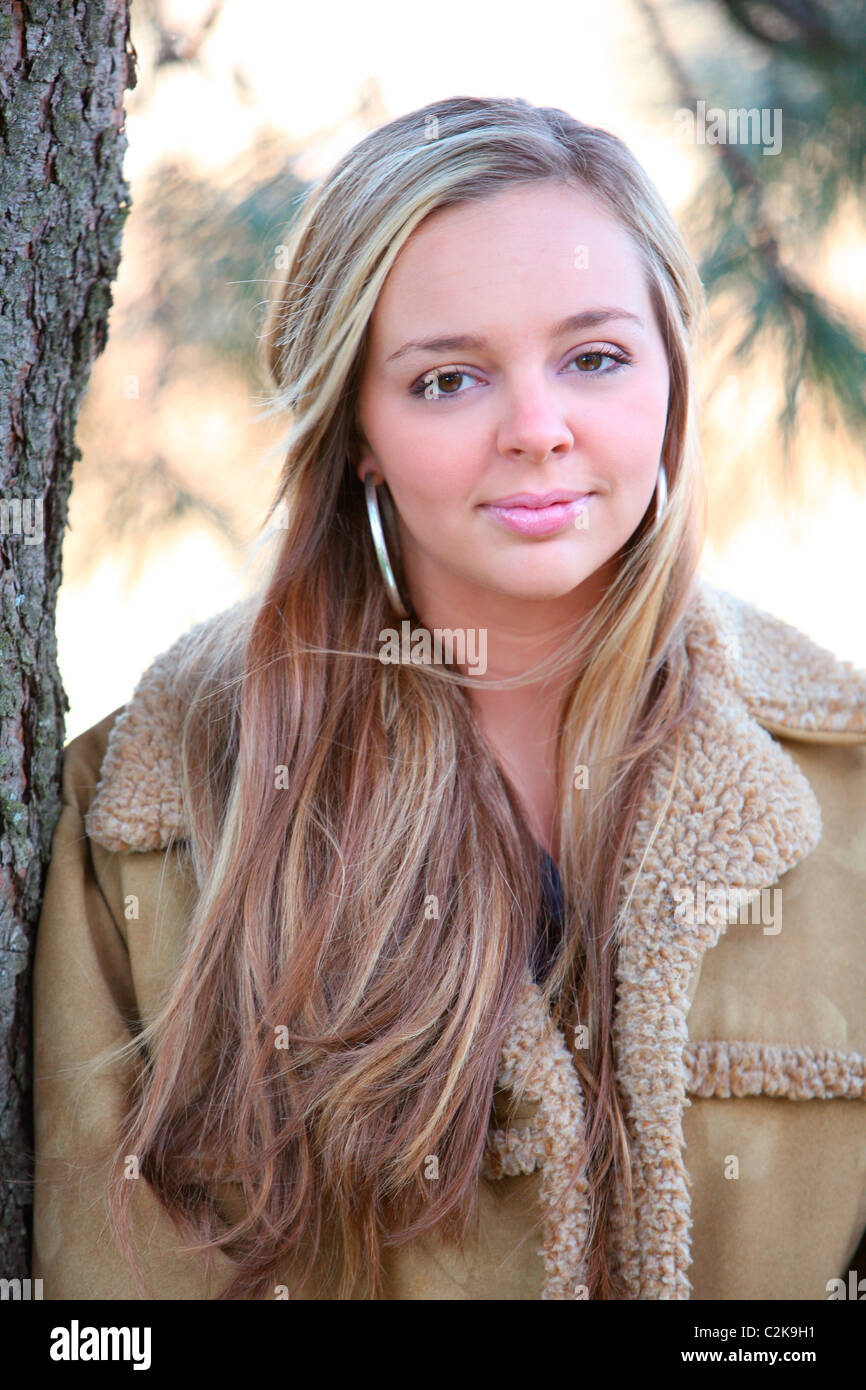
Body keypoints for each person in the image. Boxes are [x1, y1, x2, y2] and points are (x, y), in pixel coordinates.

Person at [32, 95, 866, 1302]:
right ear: (356, 426)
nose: (536, 430)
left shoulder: (844, 783)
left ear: (671, 380)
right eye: (445, 381)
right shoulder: (152, 810)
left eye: (593, 359)